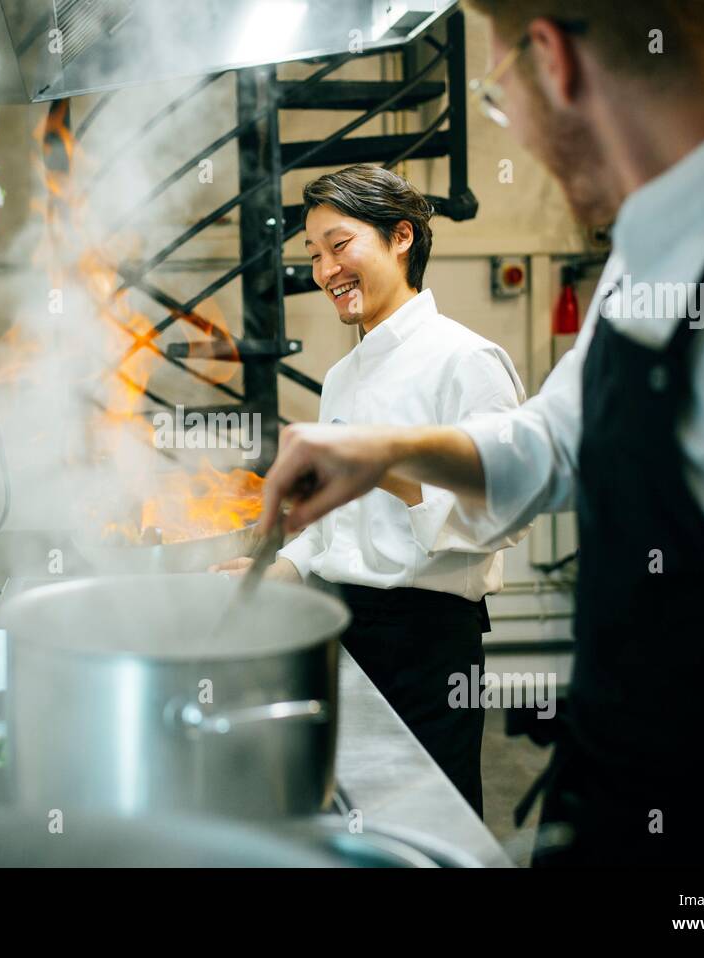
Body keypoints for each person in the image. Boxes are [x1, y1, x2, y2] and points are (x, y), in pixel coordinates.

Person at [259, 0, 704, 865]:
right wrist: (385, 449)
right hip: (619, 791)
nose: (521, 140)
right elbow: (551, 445)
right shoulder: (648, 251)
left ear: (554, 61)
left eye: (500, 97)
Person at [218, 164, 528, 816]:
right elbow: (338, 531)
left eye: (339, 245)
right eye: (313, 255)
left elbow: (506, 512)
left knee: (432, 825)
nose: (325, 270)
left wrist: (386, 467)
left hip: (429, 644)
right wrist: (284, 568)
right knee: (356, 818)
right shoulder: (340, 377)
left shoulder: (465, 360)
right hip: (345, 629)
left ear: (402, 237)